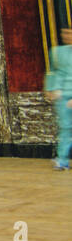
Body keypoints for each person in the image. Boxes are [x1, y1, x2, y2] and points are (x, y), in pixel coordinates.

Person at [43, 26, 72, 170]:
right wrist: (50, 88)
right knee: (66, 127)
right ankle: (62, 160)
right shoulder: (57, 52)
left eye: (69, 33)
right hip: (62, 95)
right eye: (64, 33)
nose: (66, 36)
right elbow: (52, 71)